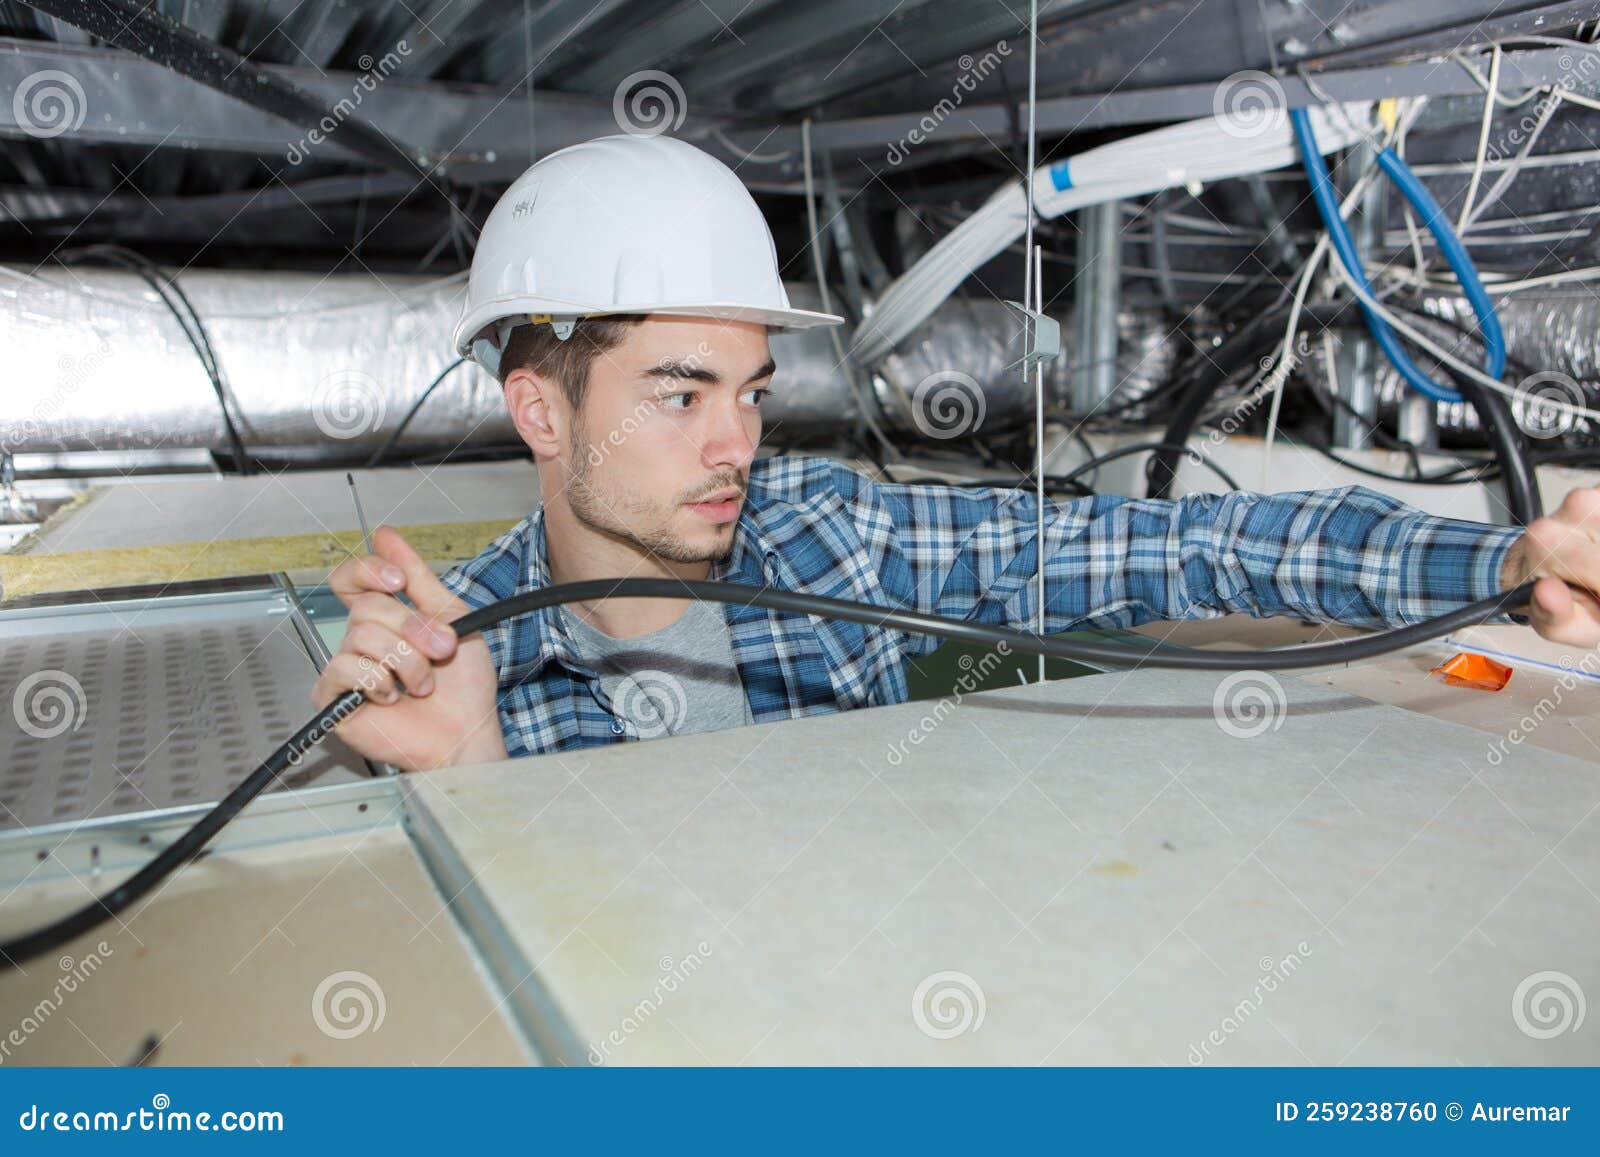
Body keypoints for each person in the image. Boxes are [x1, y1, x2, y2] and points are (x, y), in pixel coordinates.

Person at [312, 134, 1600, 771]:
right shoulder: (457, 664)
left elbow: (1188, 547)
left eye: (751, 393)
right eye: (678, 394)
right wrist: (473, 786)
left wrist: (1512, 565)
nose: (736, 445)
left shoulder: (825, 533)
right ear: (542, 411)